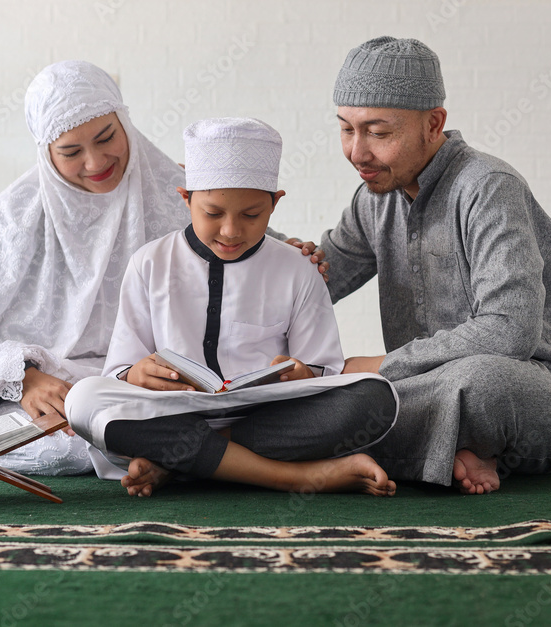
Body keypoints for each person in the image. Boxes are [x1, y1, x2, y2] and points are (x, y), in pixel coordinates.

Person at [0, 62, 325, 476]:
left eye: (107, 137)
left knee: (123, 421)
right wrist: (24, 379)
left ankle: (184, 449)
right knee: (34, 435)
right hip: (46, 381)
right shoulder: (15, 213)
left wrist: (291, 249)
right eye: (71, 152)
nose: (96, 162)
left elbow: (233, 232)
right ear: (47, 154)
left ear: (125, 121)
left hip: (152, 379)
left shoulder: (169, 187)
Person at [322, 37, 551, 494]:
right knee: (327, 394)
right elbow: (312, 282)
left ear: (433, 124)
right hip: (434, 391)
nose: (357, 152)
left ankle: (334, 447)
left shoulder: (488, 187)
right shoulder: (374, 198)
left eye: (378, 133)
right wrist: (228, 222)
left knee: (478, 382)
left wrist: (380, 365)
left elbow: (509, 332)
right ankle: (452, 450)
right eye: (347, 129)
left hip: (548, 393)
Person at [65, 117, 399, 497]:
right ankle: (294, 477)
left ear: (275, 203)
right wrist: (135, 375)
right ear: (186, 198)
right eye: (212, 213)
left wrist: (304, 374)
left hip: (262, 413)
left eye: (251, 215)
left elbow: (324, 367)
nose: (230, 231)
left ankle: (176, 461)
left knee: (373, 399)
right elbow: (119, 369)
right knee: (83, 398)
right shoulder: (149, 262)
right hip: (172, 412)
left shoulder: (297, 268)